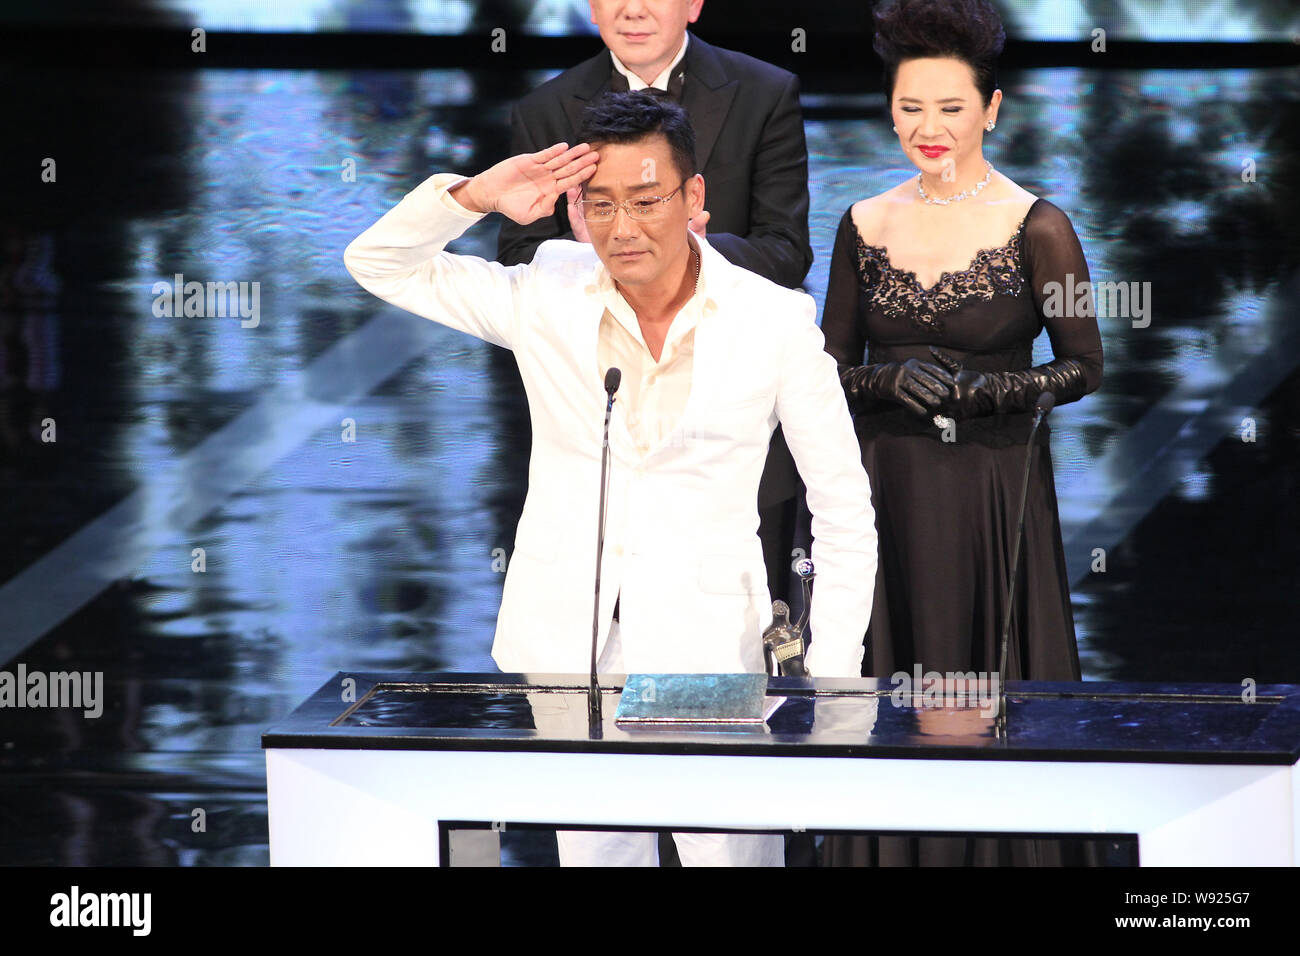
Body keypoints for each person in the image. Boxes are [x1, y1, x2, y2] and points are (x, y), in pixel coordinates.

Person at [344, 91, 877, 866]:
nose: (621, 228)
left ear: (694, 198)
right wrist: (477, 196)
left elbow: (843, 509)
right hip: (568, 650)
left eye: (645, 200)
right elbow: (377, 263)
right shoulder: (546, 290)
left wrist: (831, 687)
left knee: (727, 857)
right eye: (600, 204)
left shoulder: (774, 319)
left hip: (708, 651)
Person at [819, 0, 1104, 866]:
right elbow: (821, 367)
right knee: (888, 686)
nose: (928, 128)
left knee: (992, 691)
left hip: (993, 487)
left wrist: (998, 390)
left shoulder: (1039, 226)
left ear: (992, 107)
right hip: (884, 488)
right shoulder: (863, 222)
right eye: (910, 108)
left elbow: (1087, 365)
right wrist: (880, 376)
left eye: (950, 107)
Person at [496, 0, 811, 610]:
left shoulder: (763, 92)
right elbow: (521, 263)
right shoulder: (545, 110)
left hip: (728, 407)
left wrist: (683, 251)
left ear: (693, 4)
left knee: (738, 642)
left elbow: (786, 250)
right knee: (601, 638)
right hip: (598, 415)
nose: (633, 9)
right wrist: (599, 252)